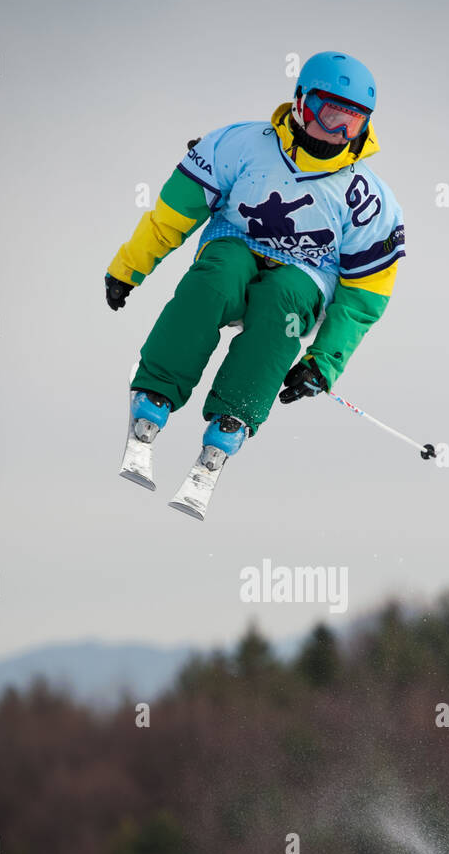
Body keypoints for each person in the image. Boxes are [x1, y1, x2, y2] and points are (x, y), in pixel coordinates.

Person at [105, 50, 406, 515]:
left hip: (305, 273)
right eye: (331, 117)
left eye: (354, 122)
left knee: (281, 308)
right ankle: (153, 399)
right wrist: (128, 269)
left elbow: (364, 298)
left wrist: (322, 363)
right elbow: (173, 214)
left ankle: (230, 424)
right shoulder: (241, 145)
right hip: (236, 241)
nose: (341, 134)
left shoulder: (365, 197)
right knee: (217, 280)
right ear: (302, 104)